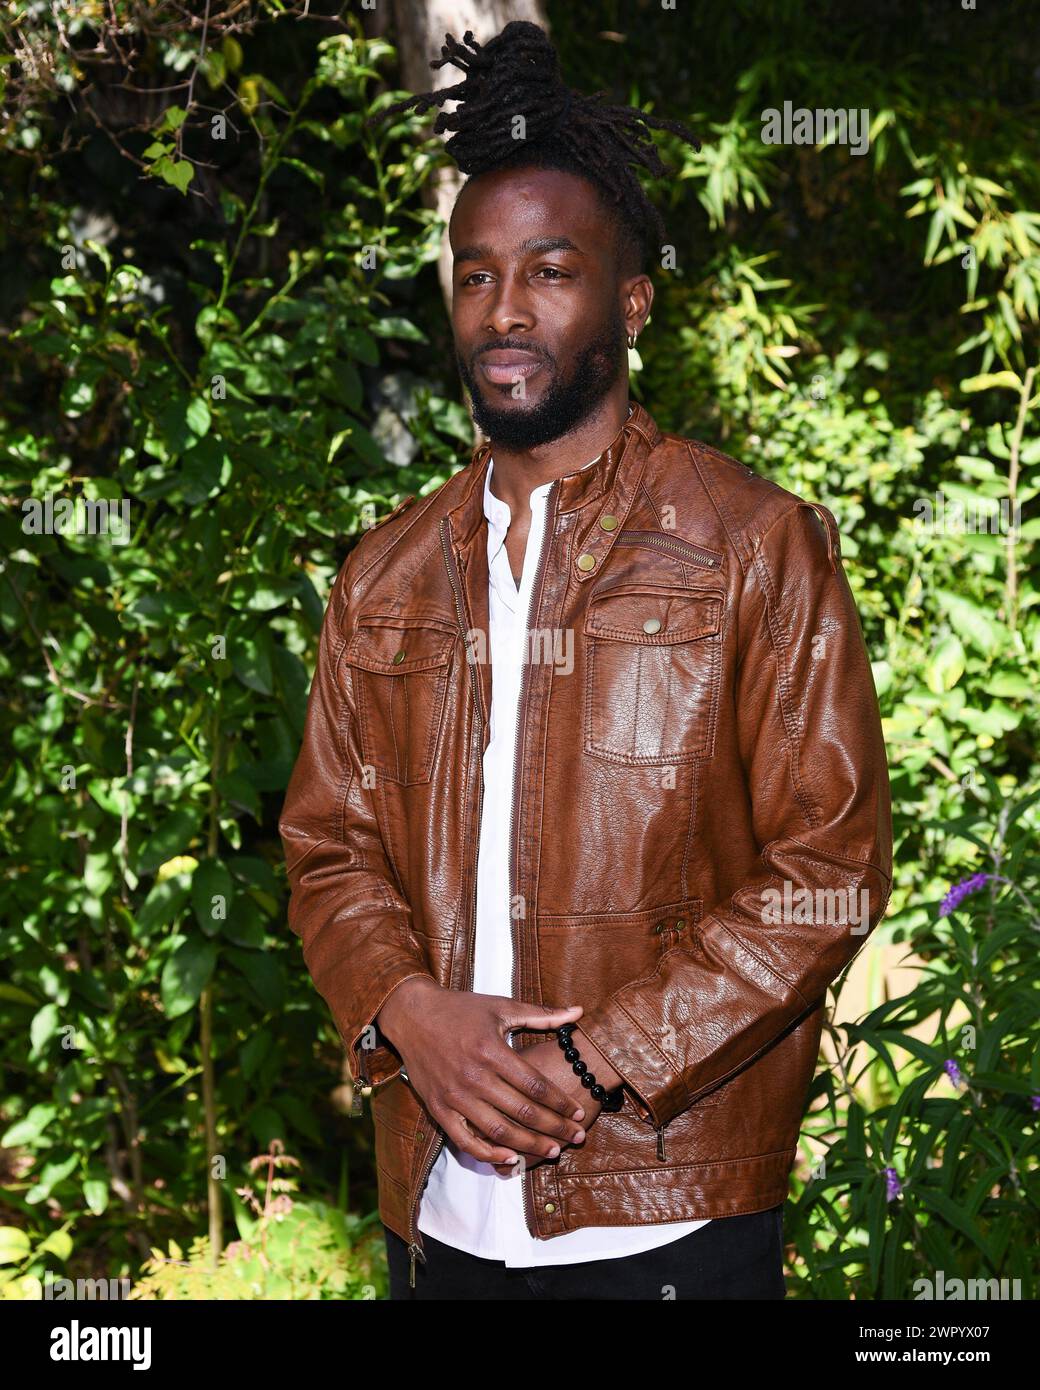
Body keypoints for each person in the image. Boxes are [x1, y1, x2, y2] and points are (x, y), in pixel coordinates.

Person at [278, 20, 892, 1301]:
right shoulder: (382, 574)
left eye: (548, 270)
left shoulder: (752, 545)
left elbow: (827, 864)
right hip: (437, 1221)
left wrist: (600, 1055)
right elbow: (327, 844)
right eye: (472, 273)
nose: (502, 309)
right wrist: (407, 1010)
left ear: (630, 299)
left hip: (668, 1209)